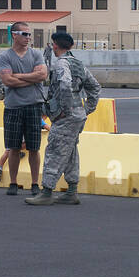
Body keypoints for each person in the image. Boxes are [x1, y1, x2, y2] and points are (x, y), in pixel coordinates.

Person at [26, 33, 101, 206]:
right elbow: (95, 87)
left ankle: (46, 192)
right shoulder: (78, 64)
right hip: (77, 115)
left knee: (54, 150)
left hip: (66, 117)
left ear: (55, 46)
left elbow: (65, 84)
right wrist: (87, 109)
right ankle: (71, 191)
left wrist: (65, 111)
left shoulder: (61, 64)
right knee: (70, 151)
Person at [0, 21, 48, 196]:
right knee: (13, 147)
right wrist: (31, 78)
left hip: (34, 106)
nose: (28, 38)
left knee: (34, 147)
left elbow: (42, 75)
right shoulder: (5, 57)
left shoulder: (36, 54)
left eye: (29, 34)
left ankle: (34, 183)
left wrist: (18, 76)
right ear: (14, 35)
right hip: (13, 107)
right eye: (24, 34)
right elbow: (7, 80)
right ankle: (13, 182)